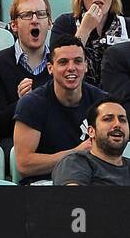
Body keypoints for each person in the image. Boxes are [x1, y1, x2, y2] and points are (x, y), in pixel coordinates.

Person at [14, 35, 107, 183]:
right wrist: (76, 153)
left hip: (93, 182)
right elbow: (24, 164)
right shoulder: (32, 104)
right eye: (63, 62)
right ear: (50, 68)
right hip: (45, 185)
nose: (71, 68)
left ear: (86, 66)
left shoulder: (103, 103)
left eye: (78, 61)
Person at [0, 0, 53, 146]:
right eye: (27, 15)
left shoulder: (62, 64)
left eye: (41, 14)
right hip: (14, 145)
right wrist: (22, 104)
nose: (35, 20)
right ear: (14, 25)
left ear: (50, 23)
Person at [50, 0, 129, 87]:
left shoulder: (127, 26)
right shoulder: (65, 23)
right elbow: (58, 65)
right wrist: (85, 29)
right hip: (78, 96)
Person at [53, 99, 130, 186]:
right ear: (91, 131)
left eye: (122, 120)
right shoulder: (75, 162)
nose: (117, 124)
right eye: (108, 119)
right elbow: (72, 198)